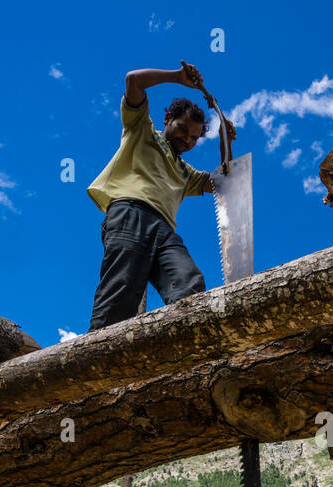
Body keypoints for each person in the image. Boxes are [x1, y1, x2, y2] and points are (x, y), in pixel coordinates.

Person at [85, 60, 236, 332]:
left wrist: (226, 141)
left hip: (164, 231)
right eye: (183, 129)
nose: (187, 140)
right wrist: (177, 76)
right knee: (121, 292)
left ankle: (175, 354)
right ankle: (94, 363)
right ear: (168, 119)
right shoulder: (141, 131)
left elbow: (224, 183)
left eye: (194, 138)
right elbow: (133, 80)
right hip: (129, 214)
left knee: (189, 285)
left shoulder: (185, 171)